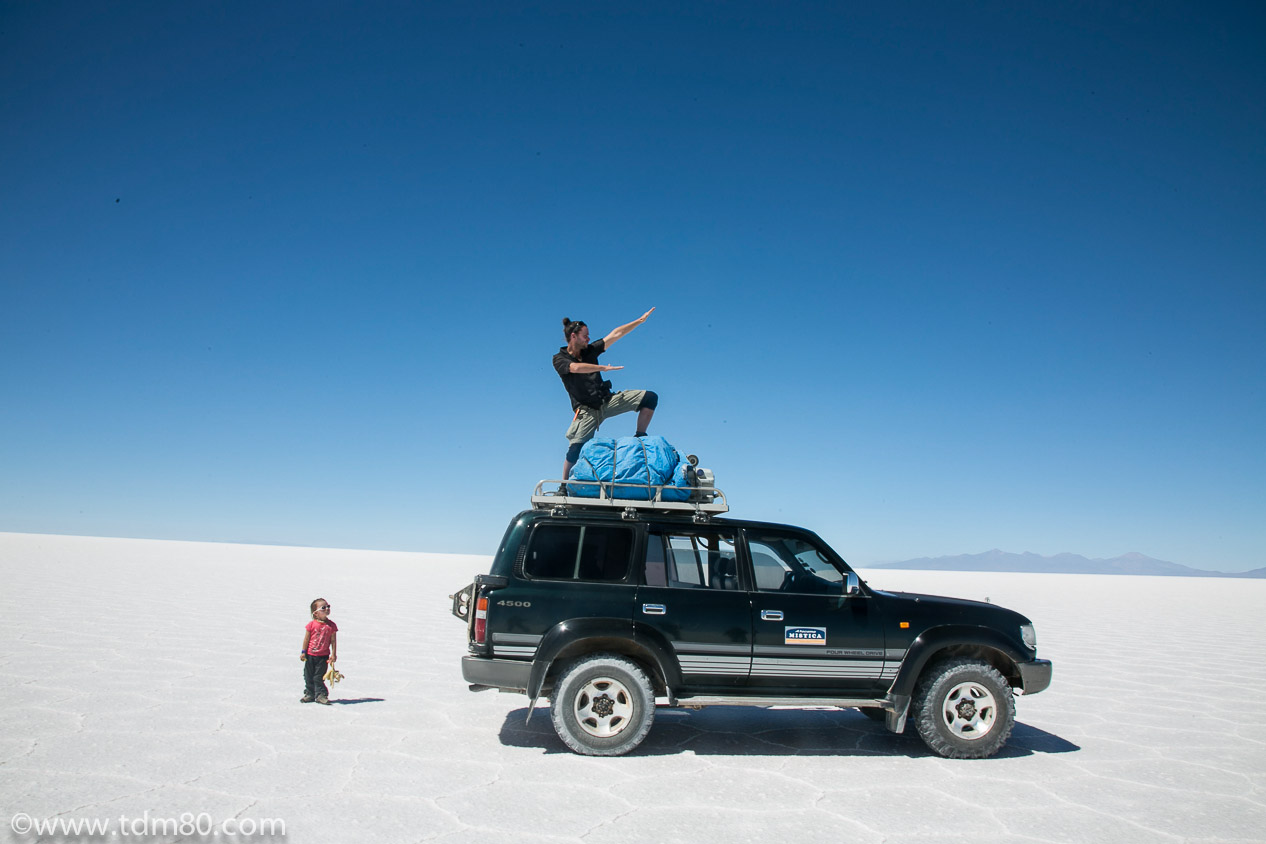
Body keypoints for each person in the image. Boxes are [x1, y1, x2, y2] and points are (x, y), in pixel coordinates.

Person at [553, 308, 659, 487]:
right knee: (575, 448)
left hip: (607, 401)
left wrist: (639, 321)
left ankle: (639, 436)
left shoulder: (590, 350)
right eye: (585, 336)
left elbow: (616, 333)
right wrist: (603, 368)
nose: (588, 339)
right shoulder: (559, 359)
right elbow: (576, 368)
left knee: (650, 398)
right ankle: (563, 485)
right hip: (586, 410)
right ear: (573, 336)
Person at [300, 598, 338, 705]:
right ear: (315, 613)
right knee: (308, 675)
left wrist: (333, 654)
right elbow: (306, 639)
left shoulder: (331, 626)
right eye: (323, 608)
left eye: (328, 606)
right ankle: (310, 693)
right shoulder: (311, 625)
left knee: (319, 676)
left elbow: (333, 641)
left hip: (323, 656)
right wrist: (303, 651)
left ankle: (321, 695)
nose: (327, 609)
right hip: (310, 655)